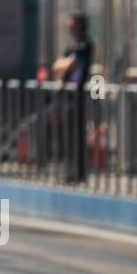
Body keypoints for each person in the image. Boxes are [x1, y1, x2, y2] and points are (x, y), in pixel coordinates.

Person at [53, 13, 94, 181]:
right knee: (68, 134)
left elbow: (71, 63)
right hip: (68, 95)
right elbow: (58, 64)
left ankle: (79, 172)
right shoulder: (72, 45)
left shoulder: (85, 44)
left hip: (79, 95)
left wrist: (65, 64)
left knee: (78, 135)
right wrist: (64, 65)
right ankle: (69, 170)